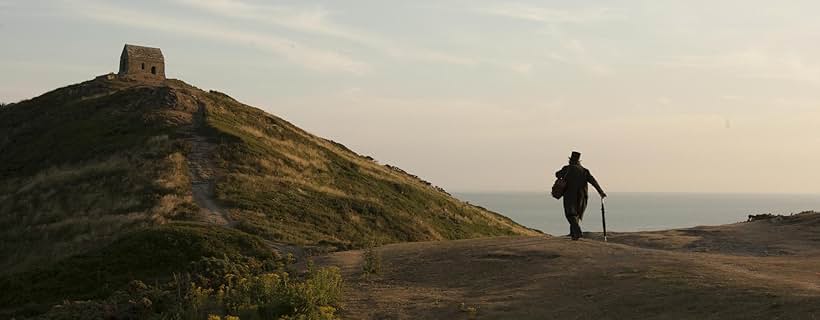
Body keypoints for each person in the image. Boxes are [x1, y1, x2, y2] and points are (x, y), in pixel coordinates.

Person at [555, 151, 606, 240]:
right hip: (582, 196)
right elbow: (593, 182)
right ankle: (573, 234)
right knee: (577, 214)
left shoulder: (567, 168)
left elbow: (557, 174)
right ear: (579, 161)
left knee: (570, 214)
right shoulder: (584, 171)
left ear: (571, 160)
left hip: (569, 195)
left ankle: (577, 231)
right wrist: (600, 192)